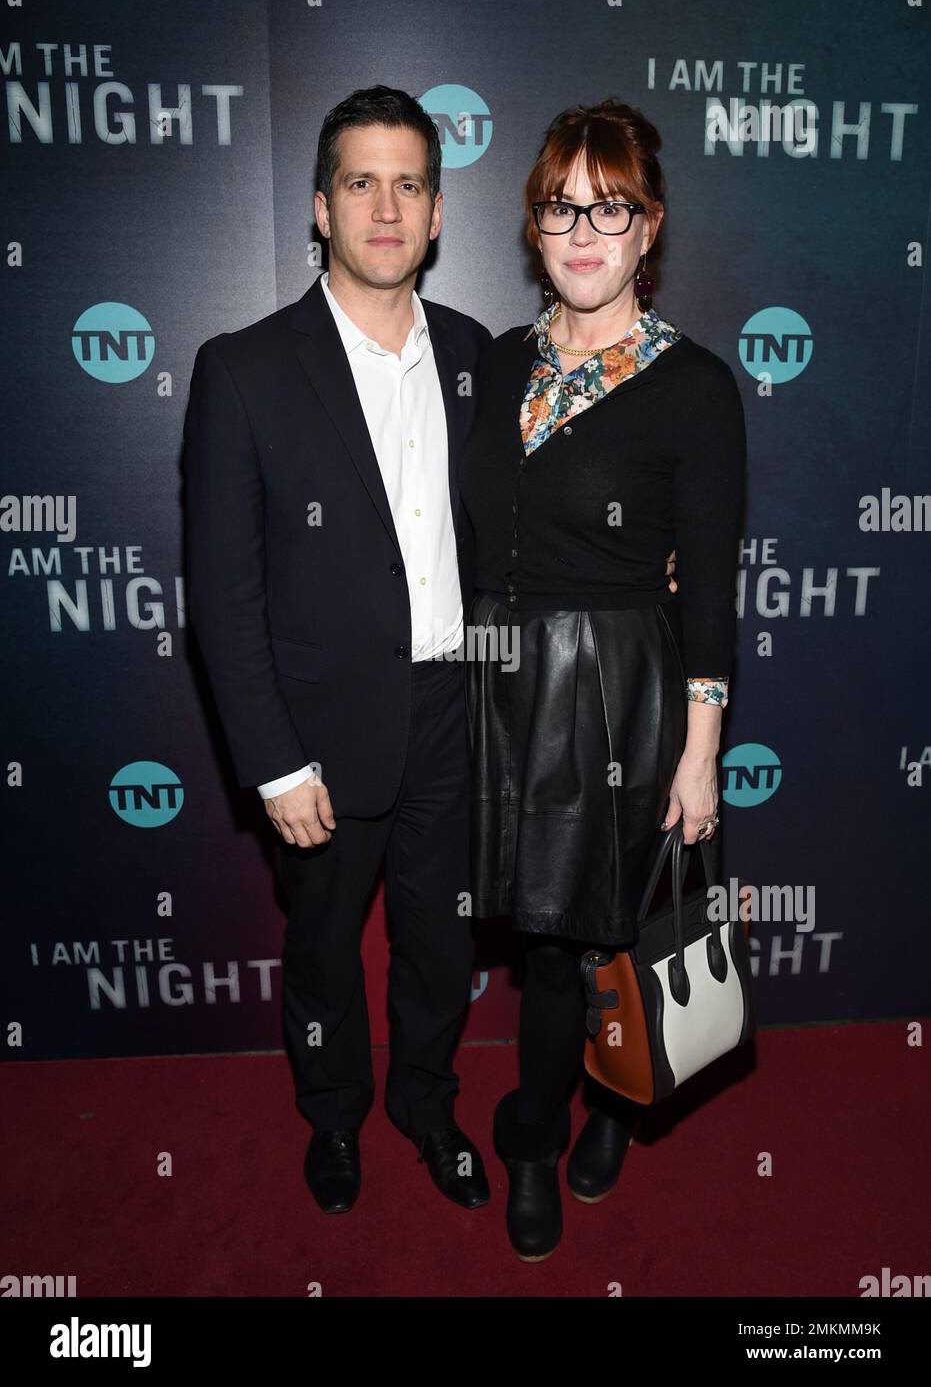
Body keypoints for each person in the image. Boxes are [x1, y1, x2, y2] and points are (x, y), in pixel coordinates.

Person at [183, 86, 493, 1215]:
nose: (385, 206)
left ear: (437, 213)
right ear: (320, 207)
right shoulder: (246, 367)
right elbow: (222, 592)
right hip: (320, 733)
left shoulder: (472, 356)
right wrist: (273, 760)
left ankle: (425, 1098)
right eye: (360, 182)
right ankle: (334, 1118)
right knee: (322, 949)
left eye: (409, 182)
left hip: (458, 716)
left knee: (439, 939)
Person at [460, 98, 747, 1262]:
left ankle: (596, 1117)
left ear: (648, 227)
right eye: (560, 206)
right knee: (539, 942)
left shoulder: (694, 386)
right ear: (533, 227)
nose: (583, 230)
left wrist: (699, 751)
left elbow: (713, 586)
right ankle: (538, 1127)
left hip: (626, 685)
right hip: (501, 682)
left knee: (601, 939)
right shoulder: (494, 363)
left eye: (609, 207)